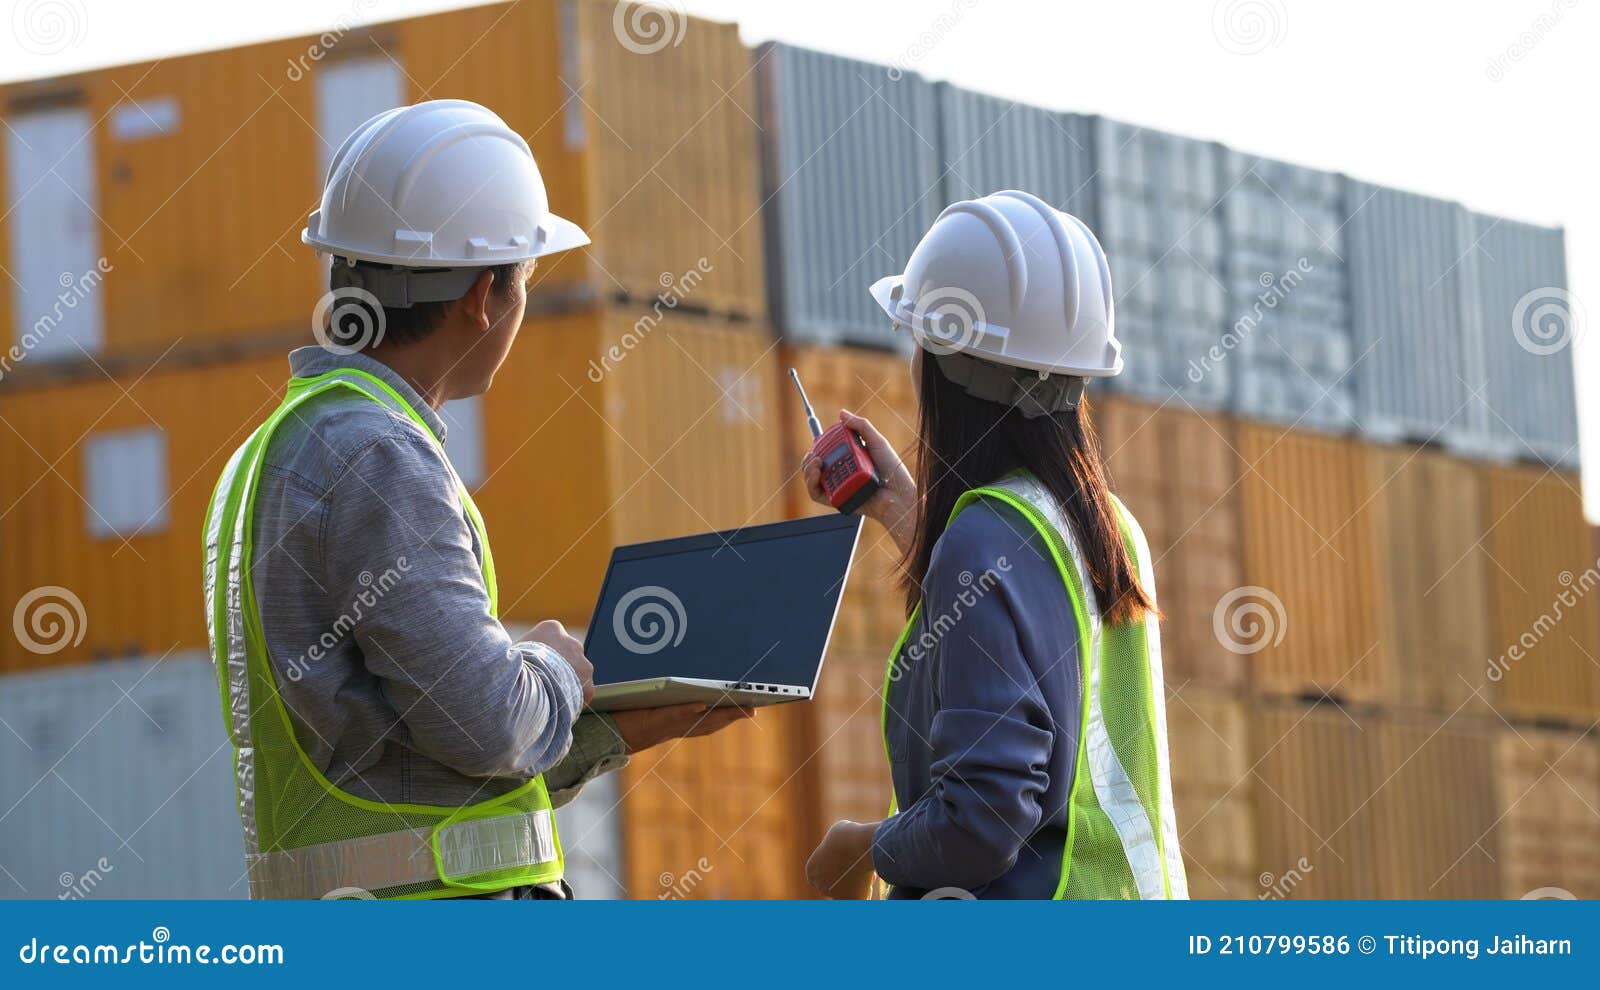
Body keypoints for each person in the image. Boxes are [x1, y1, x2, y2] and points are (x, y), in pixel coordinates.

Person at [203, 100, 749, 900]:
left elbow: (398, 753)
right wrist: (554, 669)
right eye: (527, 277)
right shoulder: (378, 454)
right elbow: (485, 723)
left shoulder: (283, 449)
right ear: (485, 294)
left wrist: (607, 729)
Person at [800, 190, 1187, 899]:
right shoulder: (1108, 528)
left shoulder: (983, 545)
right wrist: (903, 513)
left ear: (945, 367)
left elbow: (981, 819)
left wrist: (863, 848)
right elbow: (1032, 620)